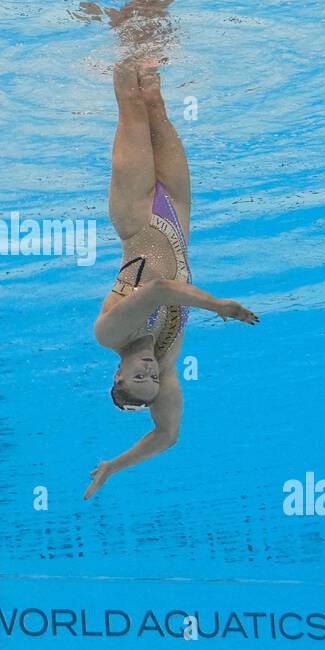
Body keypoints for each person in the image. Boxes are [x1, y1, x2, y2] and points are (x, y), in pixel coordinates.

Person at [86, 61, 258, 499]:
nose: (149, 373)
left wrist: (219, 306)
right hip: (178, 221)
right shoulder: (165, 362)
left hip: (137, 217)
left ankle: (122, 35)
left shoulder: (111, 333)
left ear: (118, 374)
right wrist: (113, 466)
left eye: (137, 378)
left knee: (131, 105)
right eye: (153, 382)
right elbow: (165, 436)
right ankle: (152, 31)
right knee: (156, 101)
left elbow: (160, 290)